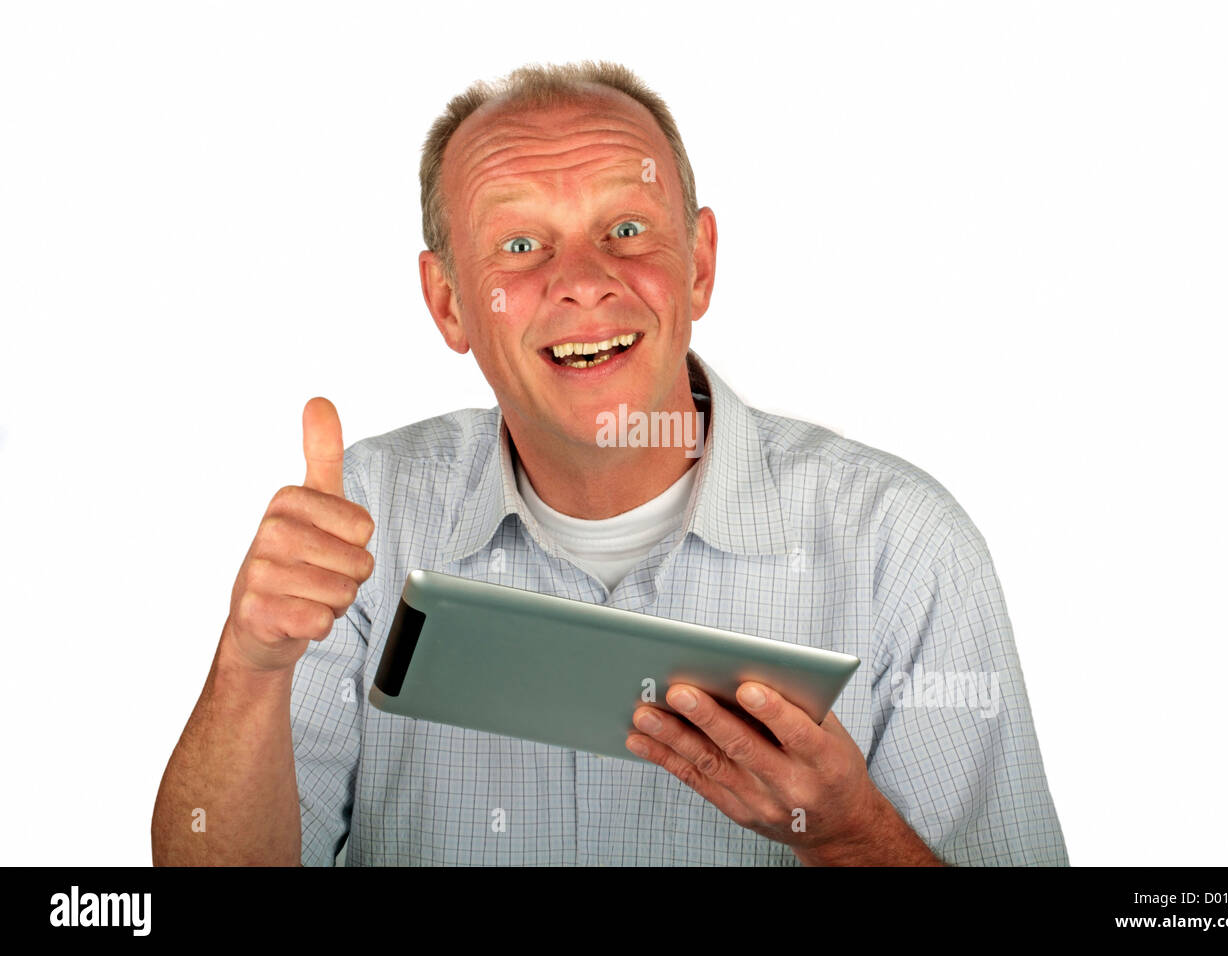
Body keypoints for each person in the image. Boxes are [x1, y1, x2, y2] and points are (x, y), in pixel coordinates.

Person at [152, 60, 1068, 867]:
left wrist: (848, 835)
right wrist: (251, 667)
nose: (584, 279)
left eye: (627, 231)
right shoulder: (356, 519)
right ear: (449, 303)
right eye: (520, 246)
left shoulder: (903, 545)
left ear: (700, 265)